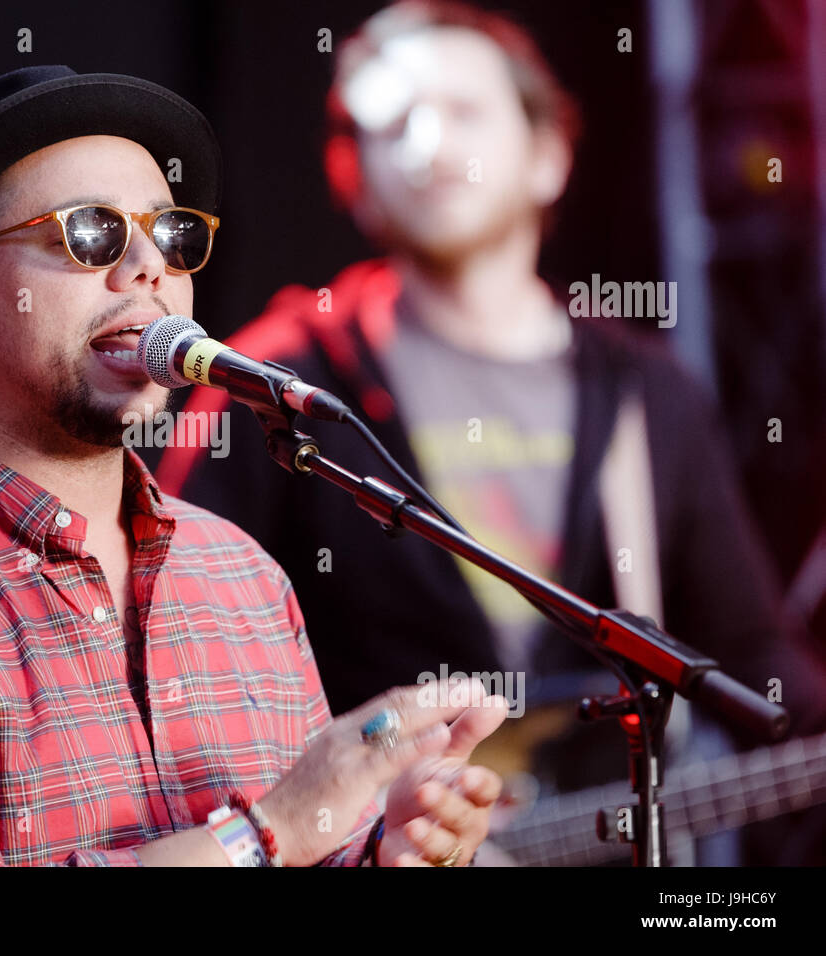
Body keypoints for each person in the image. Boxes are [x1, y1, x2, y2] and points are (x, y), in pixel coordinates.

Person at [0, 65, 507, 867]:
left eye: (173, 235)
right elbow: (279, 836)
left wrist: (385, 851)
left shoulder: (242, 576)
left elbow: (307, 846)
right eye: (91, 232)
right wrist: (261, 836)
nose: (150, 267)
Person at [158, 2, 826, 864]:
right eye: (392, 123)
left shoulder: (647, 394)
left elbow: (755, 656)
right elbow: (181, 652)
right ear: (353, 176)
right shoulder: (278, 383)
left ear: (549, 156)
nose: (429, 146)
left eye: (463, 111)